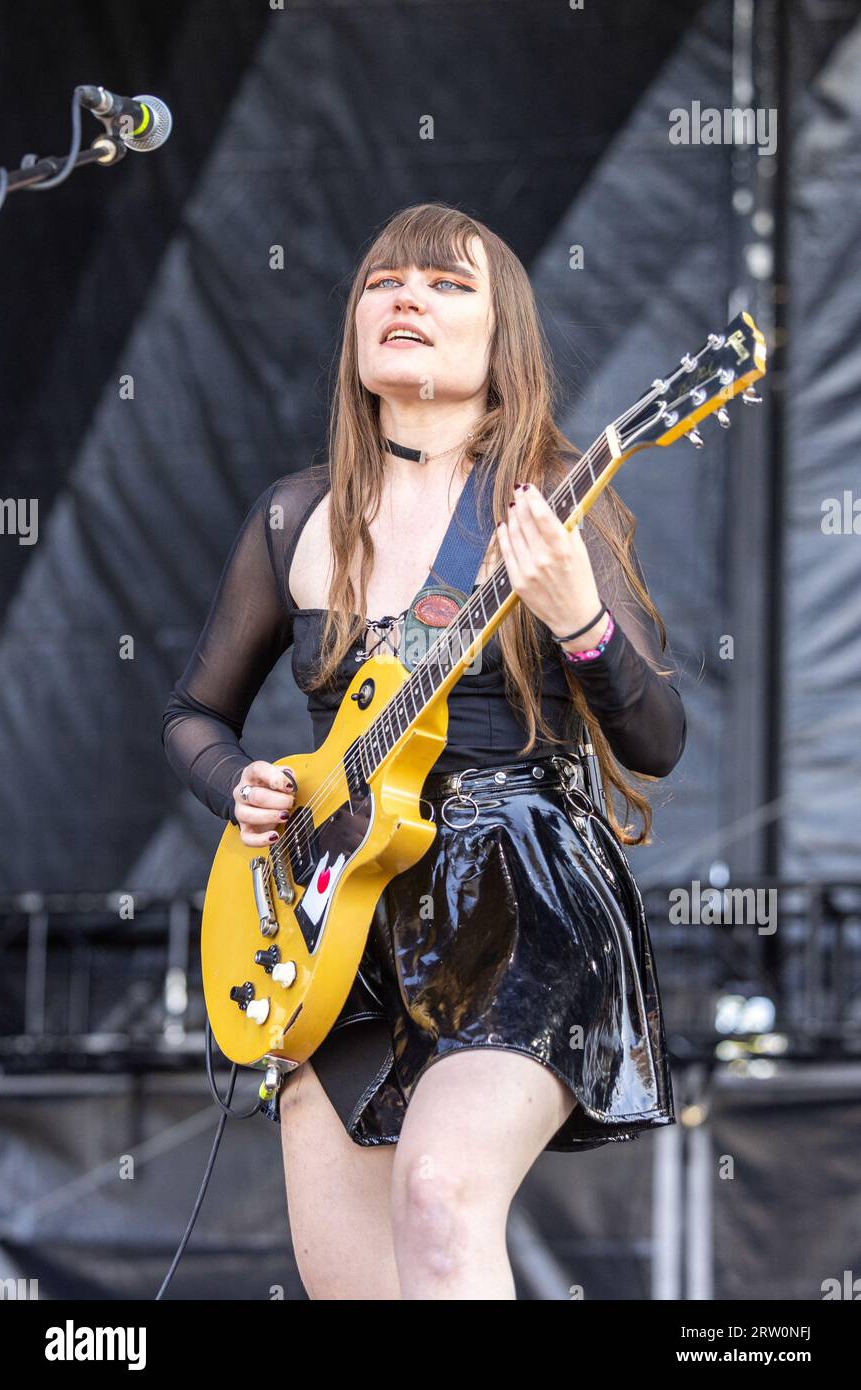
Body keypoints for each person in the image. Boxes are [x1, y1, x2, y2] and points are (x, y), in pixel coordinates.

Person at [161, 202, 687, 1300]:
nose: (406, 296)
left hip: (519, 889)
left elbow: (656, 738)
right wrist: (240, 786)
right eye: (383, 282)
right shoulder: (293, 519)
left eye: (448, 286)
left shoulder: (540, 509)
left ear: (504, 348)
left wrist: (579, 618)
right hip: (334, 915)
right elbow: (191, 714)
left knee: (440, 1197)